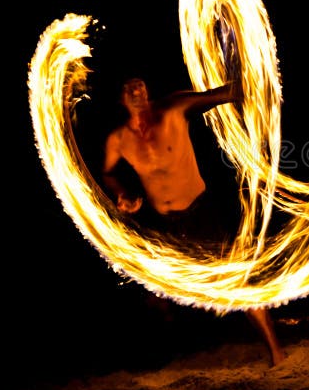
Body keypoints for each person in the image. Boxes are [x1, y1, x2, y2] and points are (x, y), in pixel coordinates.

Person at [102, 76, 287, 367]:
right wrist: (123, 193)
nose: (136, 88)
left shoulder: (175, 108)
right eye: (128, 87)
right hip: (163, 224)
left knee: (237, 282)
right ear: (121, 99)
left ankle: (277, 353)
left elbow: (224, 94)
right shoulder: (118, 141)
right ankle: (161, 358)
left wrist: (254, 74)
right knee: (152, 293)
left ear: (148, 89)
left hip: (200, 215)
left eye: (140, 83)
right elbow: (108, 173)